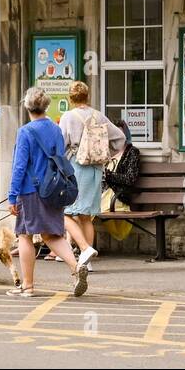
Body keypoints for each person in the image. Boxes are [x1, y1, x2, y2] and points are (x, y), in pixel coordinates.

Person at [7, 87, 88, 298]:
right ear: (46, 106)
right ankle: (76, 266)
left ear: (27, 106)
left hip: (29, 190)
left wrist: (12, 195)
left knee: (24, 235)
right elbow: (59, 157)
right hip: (53, 188)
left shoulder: (25, 131)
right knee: (52, 233)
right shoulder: (55, 128)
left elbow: (19, 166)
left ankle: (28, 286)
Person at [57, 81, 125, 271]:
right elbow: (120, 138)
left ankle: (84, 250)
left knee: (66, 212)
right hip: (95, 169)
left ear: (70, 98)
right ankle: (87, 261)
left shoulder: (68, 116)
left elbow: (60, 144)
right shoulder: (99, 115)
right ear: (87, 96)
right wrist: (105, 152)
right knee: (86, 216)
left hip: (76, 168)